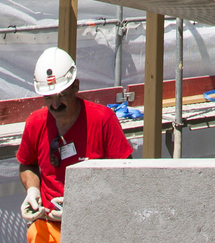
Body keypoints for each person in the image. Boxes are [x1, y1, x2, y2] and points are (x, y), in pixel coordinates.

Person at [17, 46, 133, 240]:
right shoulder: (35, 123)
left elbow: (126, 175)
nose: (55, 104)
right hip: (49, 226)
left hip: (96, 228)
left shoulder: (103, 120)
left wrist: (83, 206)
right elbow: (27, 164)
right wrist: (32, 190)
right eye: (48, 97)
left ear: (76, 86)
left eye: (62, 95)